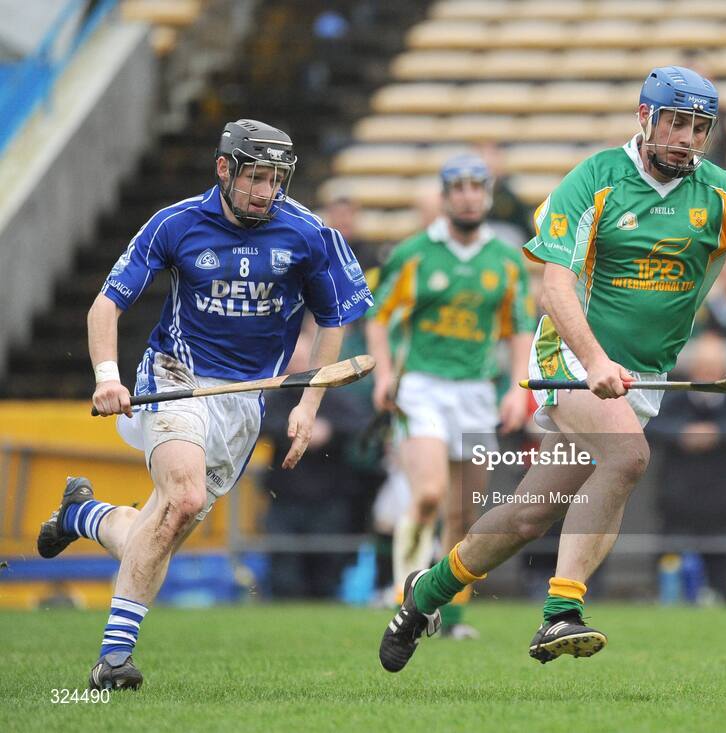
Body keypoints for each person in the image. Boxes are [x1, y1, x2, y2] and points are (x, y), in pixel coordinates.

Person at [378, 66, 726, 673]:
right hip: (571, 354)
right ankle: (562, 612)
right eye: (676, 123)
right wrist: (597, 360)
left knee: (528, 515)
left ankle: (423, 596)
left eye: (698, 127)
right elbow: (555, 284)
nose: (686, 138)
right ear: (645, 118)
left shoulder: (718, 194)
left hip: (638, 377)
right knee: (628, 456)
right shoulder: (597, 179)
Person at [35, 119, 373, 690]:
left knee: (164, 526)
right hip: (176, 376)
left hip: (244, 400)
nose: (267, 191)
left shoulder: (308, 233)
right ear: (225, 169)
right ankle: (114, 659)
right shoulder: (176, 223)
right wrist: (106, 377)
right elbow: (104, 307)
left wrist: (309, 402)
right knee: (185, 496)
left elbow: (336, 317)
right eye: (256, 178)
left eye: (277, 179)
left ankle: (82, 514)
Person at [366, 152, 535, 639]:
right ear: (444, 198)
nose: (467, 196)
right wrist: (383, 377)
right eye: (457, 188)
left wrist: (517, 387)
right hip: (422, 386)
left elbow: (521, 326)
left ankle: (453, 617)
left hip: (477, 391)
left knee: (464, 513)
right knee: (430, 495)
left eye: (476, 187)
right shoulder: (415, 252)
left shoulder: (505, 258)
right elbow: (379, 318)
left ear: (487, 195)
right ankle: (408, 603)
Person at [645, 333, 726, 602]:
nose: (707, 376)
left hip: (723, 502)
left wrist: (718, 433)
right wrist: (683, 433)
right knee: (671, 568)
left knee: (721, 570)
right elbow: (646, 423)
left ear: (725, 372)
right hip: (677, 502)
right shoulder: (673, 400)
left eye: (713, 369)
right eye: (702, 369)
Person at [261, 315, 382, 600]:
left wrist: (328, 432)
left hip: (329, 498)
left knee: (326, 574)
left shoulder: (337, 397)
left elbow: (360, 424)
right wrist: (292, 431)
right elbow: (261, 425)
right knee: (284, 575)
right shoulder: (276, 398)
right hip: (285, 497)